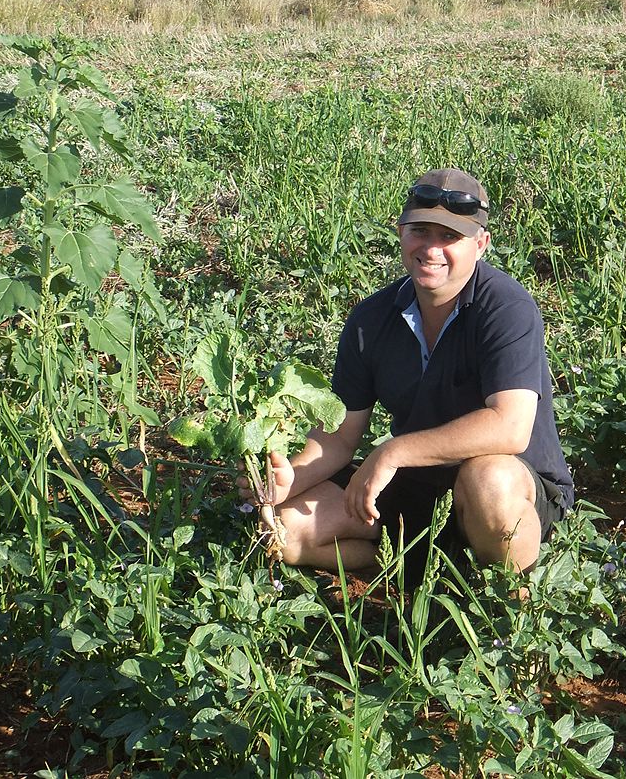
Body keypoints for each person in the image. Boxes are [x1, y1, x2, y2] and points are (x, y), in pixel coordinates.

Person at [239, 168, 574, 581]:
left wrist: (392, 452)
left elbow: (510, 428)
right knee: (286, 531)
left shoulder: (506, 309)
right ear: (401, 232)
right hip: (416, 487)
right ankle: (414, 566)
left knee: (490, 479)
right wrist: (290, 478)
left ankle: (515, 610)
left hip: (506, 489)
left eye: (450, 236)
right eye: (421, 231)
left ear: (481, 244)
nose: (432, 248)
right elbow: (341, 435)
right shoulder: (372, 318)